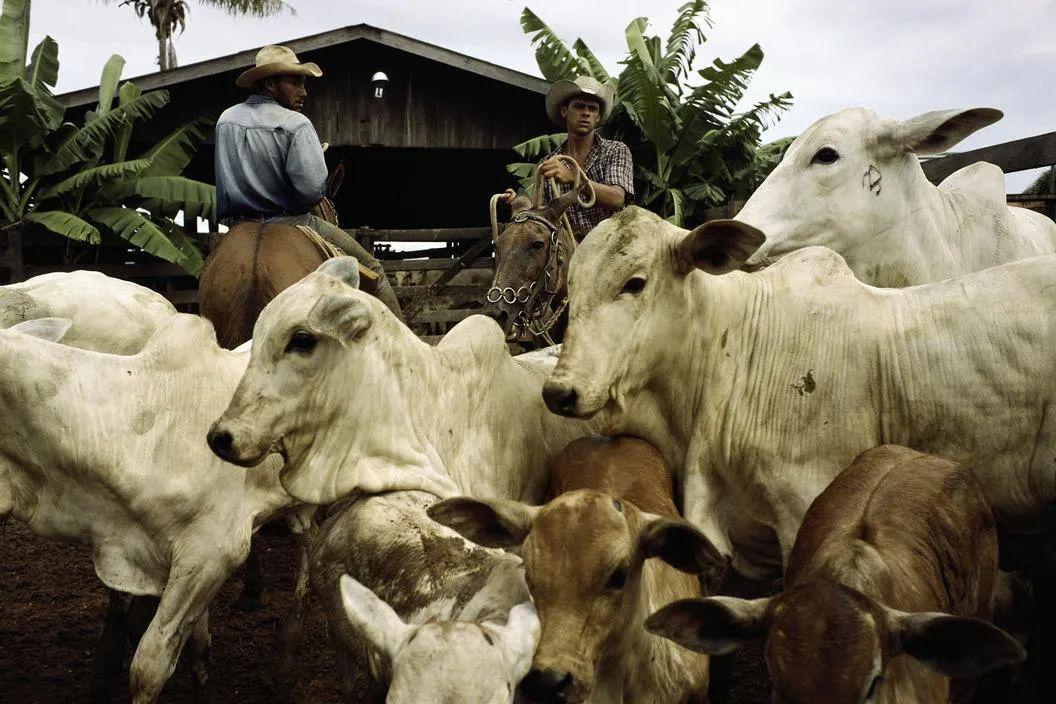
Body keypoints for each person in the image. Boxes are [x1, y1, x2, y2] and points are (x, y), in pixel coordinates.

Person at [215, 45, 402, 316]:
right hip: (292, 221)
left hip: (238, 226)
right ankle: (406, 354)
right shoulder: (296, 124)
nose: (304, 91)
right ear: (269, 84)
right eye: (295, 82)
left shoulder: (226, 120)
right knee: (374, 270)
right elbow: (311, 191)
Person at [504, 75, 634, 240]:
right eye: (579, 106)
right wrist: (519, 202)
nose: (586, 113)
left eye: (592, 108)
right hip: (570, 252)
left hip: (611, 247)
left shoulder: (615, 150)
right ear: (565, 111)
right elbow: (541, 212)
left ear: (598, 117)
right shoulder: (548, 164)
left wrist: (574, 177)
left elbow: (616, 198)